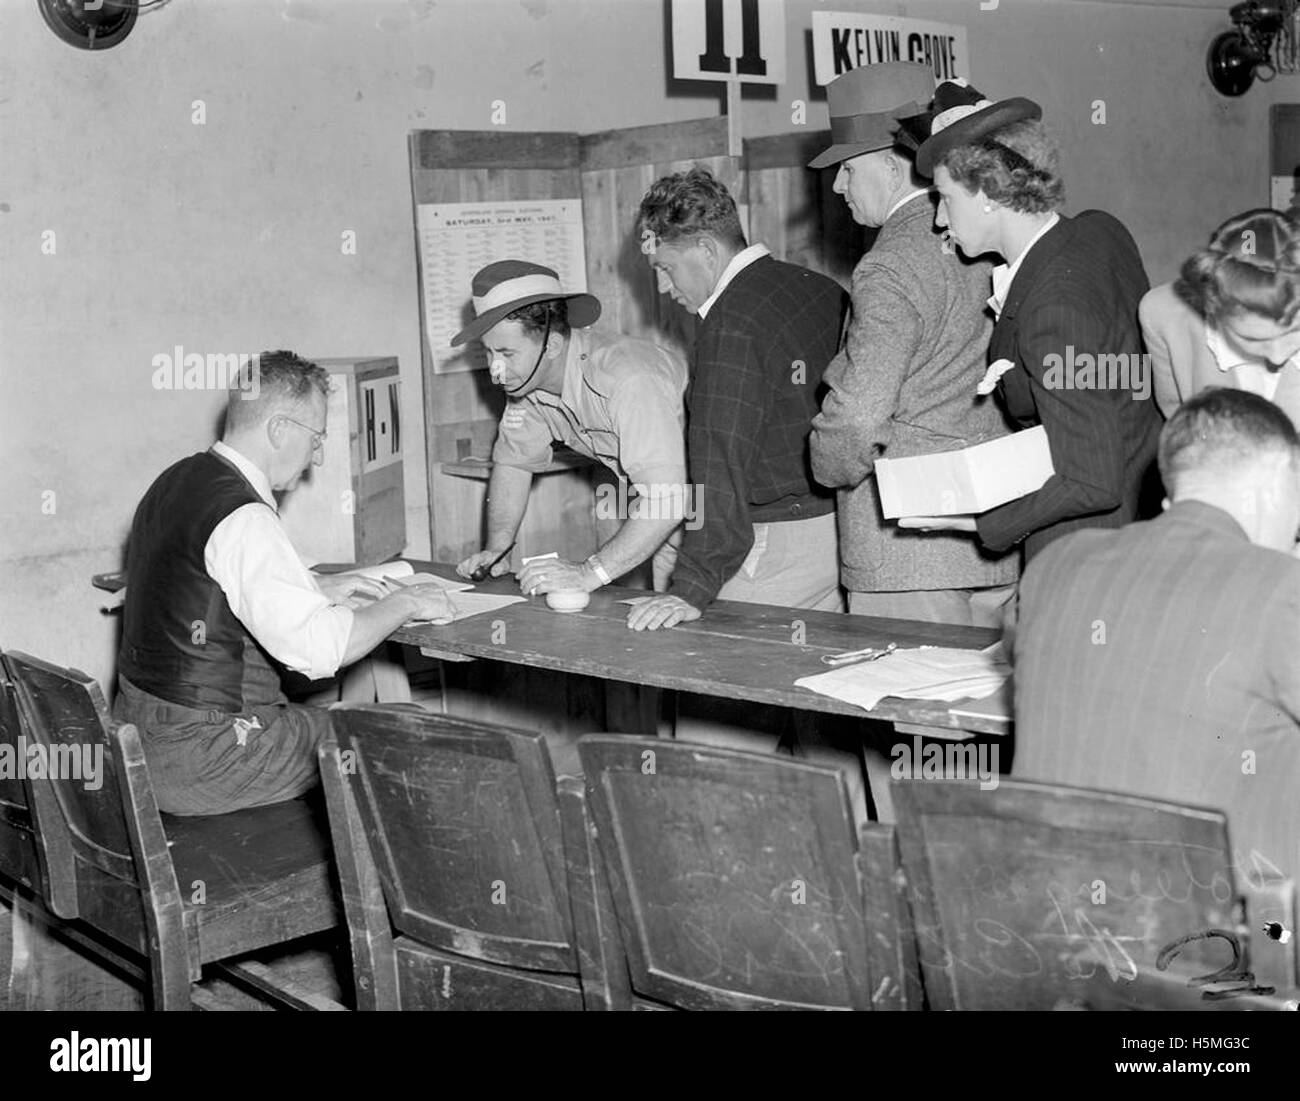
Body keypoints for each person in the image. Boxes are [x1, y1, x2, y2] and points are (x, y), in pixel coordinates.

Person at [114, 351, 453, 816]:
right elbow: (318, 652)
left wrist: (314, 587)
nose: (317, 457)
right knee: (410, 732)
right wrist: (408, 602)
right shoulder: (245, 516)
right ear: (278, 429)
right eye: (316, 438)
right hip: (211, 757)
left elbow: (209, 585)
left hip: (138, 739)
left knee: (344, 724)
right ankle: (398, 882)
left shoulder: (177, 480)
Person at [1014, 387, 1300, 886]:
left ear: (1171, 497)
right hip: (1213, 944)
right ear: (1276, 483)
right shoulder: (1280, 588)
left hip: (1042, 915)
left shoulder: (1055, 562)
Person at [898, 80, 1163, 562]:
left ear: (987, 196)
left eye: (944, 198)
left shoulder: (1052, 310)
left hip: (1089, 551)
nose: (939, 220)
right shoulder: (1099, 232)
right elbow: (1116, 387)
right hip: (1144, 508)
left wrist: (981, 521)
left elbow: (1090, 479)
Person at [808, 61, 1018, 627]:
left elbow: (858, 417)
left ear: (892, 163)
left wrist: (823, 464)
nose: (837, 185)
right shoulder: (993, 240)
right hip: (993, 541)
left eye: (848, 169)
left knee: (915, 713)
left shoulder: (889, 264)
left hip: (906, 557)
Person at [629, 166, 849, 632]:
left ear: (707, 250)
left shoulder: (729, 322)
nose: (665, 290)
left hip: (769, 548)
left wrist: (692, 585)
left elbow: (721, 459)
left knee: (724, 686)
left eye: (666, 269)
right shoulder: (821, 289)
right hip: (839, 531)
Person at [452, 260, 688, 595]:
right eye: (488, 353)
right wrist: (498, 549)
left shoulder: (629, 378)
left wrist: (588, 573)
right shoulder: (527, 383)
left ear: (552, 346)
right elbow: (513, 463)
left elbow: (667, 500)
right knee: (677, 639)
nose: (495, 370)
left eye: (506, 353)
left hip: (739, 521)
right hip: (670, 524)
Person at [1141, 208, 1300, 428]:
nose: (1277, 357)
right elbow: (1183, 424)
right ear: (1211, 306)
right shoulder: (1164, 316)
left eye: (1293, 332)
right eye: (1253, 339)